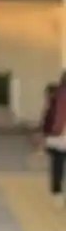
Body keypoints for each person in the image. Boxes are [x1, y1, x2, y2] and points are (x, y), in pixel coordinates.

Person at [37, 71, 66, 207]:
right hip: (61, 135)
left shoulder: (56, 93)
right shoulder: (61, 94)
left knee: (57, 165)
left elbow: (47, 114)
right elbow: (59, 115)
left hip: (55, 137)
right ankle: (58, 193)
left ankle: (57, 193)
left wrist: (44, 133)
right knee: (58, 164)